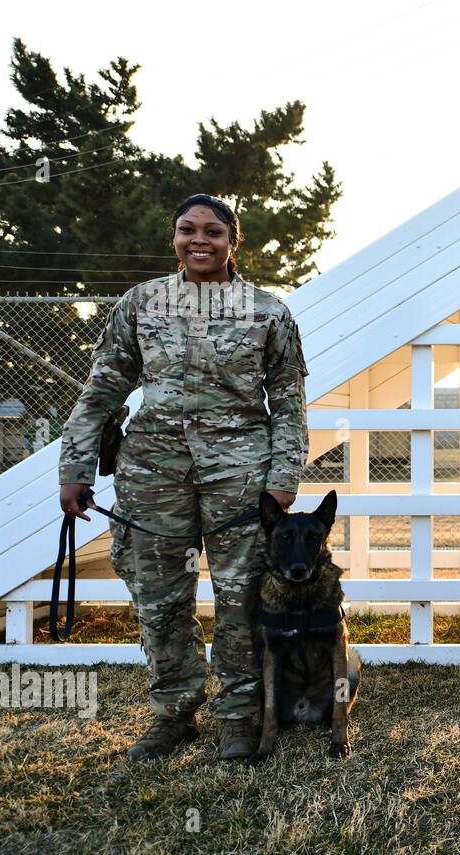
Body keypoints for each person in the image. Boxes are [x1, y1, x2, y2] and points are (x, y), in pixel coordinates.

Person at [57, 194, 309, 761]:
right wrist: (74, 467)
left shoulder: (266, 309)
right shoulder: (140, 304)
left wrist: (283, 475)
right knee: (159, 597)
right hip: (152, 471)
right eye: (187, 230)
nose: (200, 240)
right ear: (174, 237)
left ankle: (241, 718)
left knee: (242, 597)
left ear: (232, 240)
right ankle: (174, 712)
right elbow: (103, 387)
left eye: (213, 231)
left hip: (241, 474)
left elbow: (290, 400)